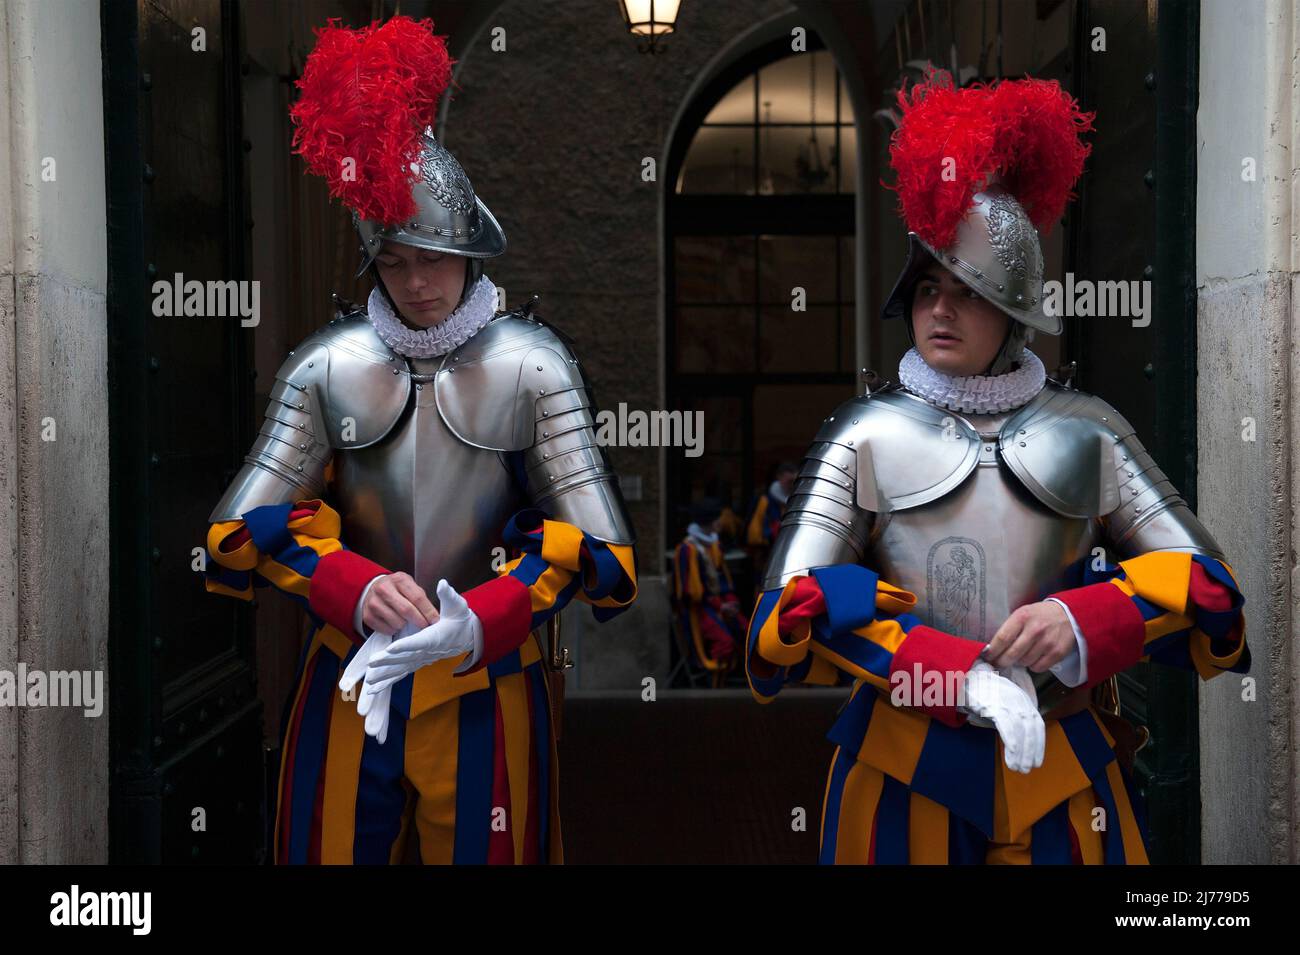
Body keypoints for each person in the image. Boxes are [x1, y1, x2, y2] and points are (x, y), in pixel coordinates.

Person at [744, 70, 1248, 865]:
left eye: (968, 293)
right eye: (926, 288)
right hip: (902, 775)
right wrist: (952, 674)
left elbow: (1210, 590)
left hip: (1066, 774)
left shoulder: (1088, 431)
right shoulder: (864, 433)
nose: (940, 310)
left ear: (1013, 314)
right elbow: (786, 615)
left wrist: (1083, 622)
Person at [202, 15, 636, 865]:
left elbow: (607, 557)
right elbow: (230, 536)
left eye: (434, 257)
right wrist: (348, 583)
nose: (418, 282)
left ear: (468, 250)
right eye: (396, 261)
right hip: (348, 677)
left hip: (493, 683)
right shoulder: (326, 364)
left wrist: (492, 611)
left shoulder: (533, 363)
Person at [672, 499, 747, 685]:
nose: (722, 522)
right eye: (718, 518)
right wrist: (721, 606)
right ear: (710, 521)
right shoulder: (686, 550)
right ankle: (714, 690)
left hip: (719, 604)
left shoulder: (715, 546)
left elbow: (722, 579)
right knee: (724, 642)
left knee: (747, 630)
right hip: (699, 609)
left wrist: (731, 603)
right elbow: (691, 592)